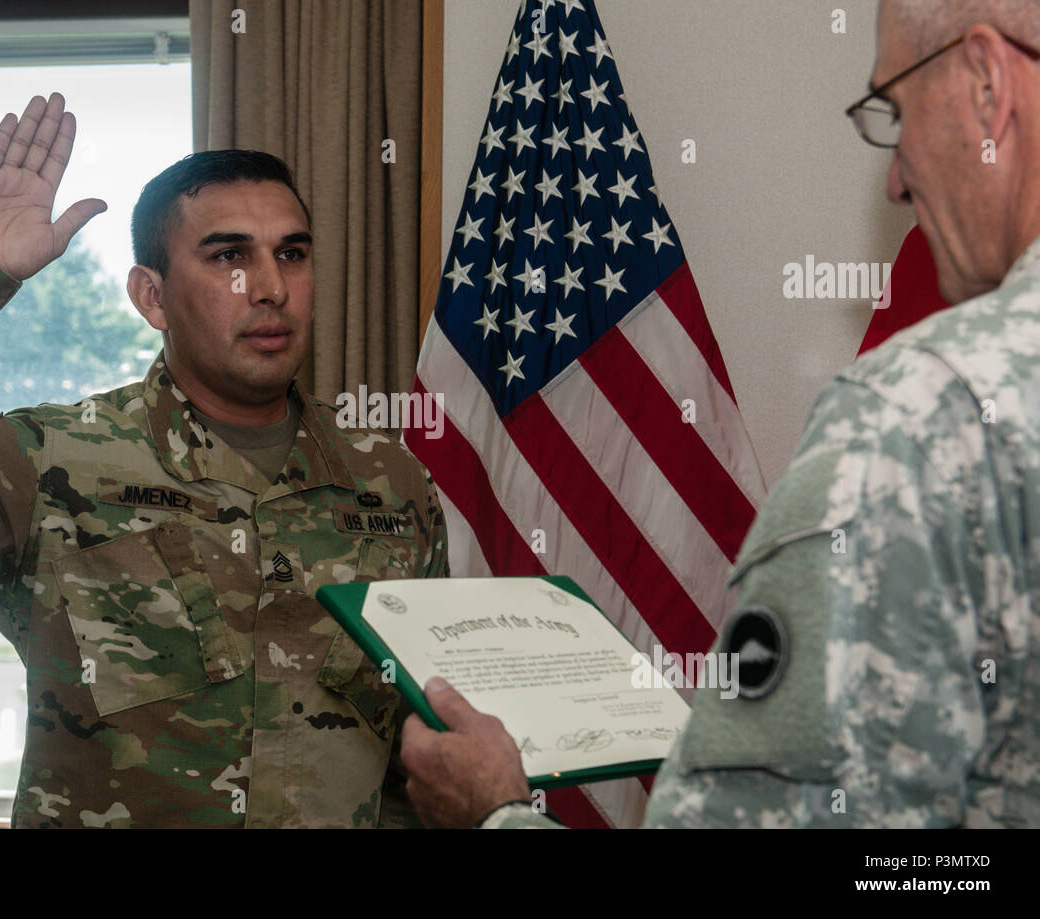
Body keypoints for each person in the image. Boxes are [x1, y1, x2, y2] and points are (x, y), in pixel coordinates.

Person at [400, 0, 1040, 829]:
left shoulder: (921, 415)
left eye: (897, 109)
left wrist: (496, 811)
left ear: (987, 82)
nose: (895, 176)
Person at [0, 93, 449, 828]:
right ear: (152, 296)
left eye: (291, 254)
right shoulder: (53, 465)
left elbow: (419, 751)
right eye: (229, 256)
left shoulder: (390, 483)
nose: (270, 287)